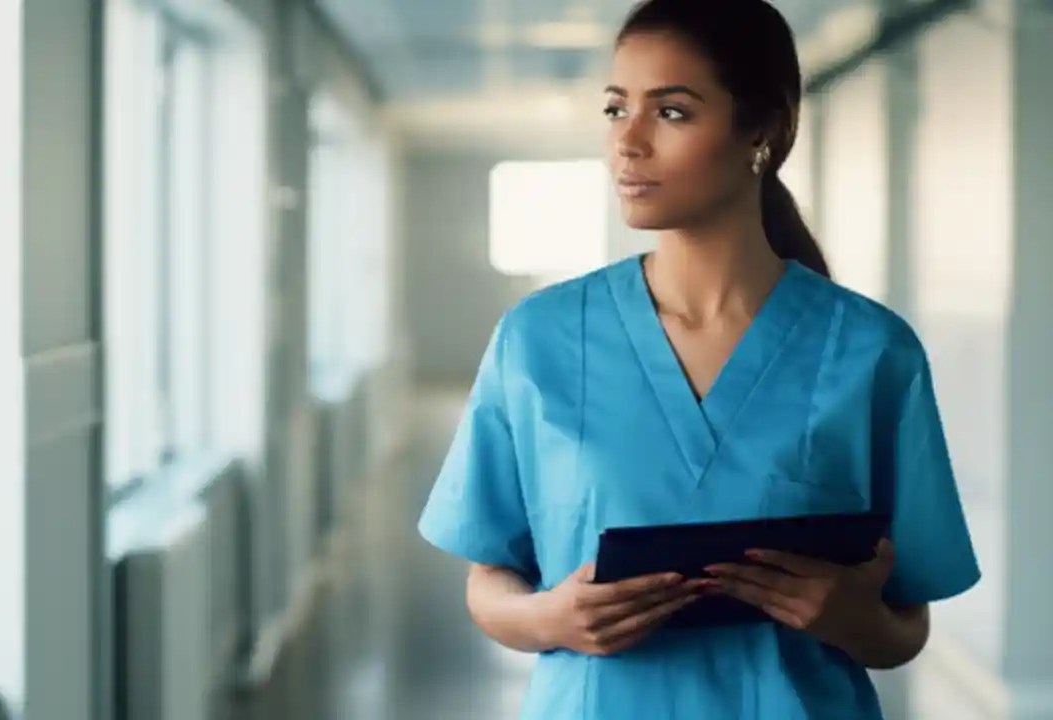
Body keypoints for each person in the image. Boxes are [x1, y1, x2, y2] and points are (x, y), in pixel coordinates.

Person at [415, 0, 981, 718]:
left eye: (672, 113)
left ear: (763, 132)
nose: (629, 142)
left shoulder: (870, 352)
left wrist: (847, 617)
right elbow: (488, 580)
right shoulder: (539, 339)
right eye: (617, 109)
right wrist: (550, 620)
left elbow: (904, 628)